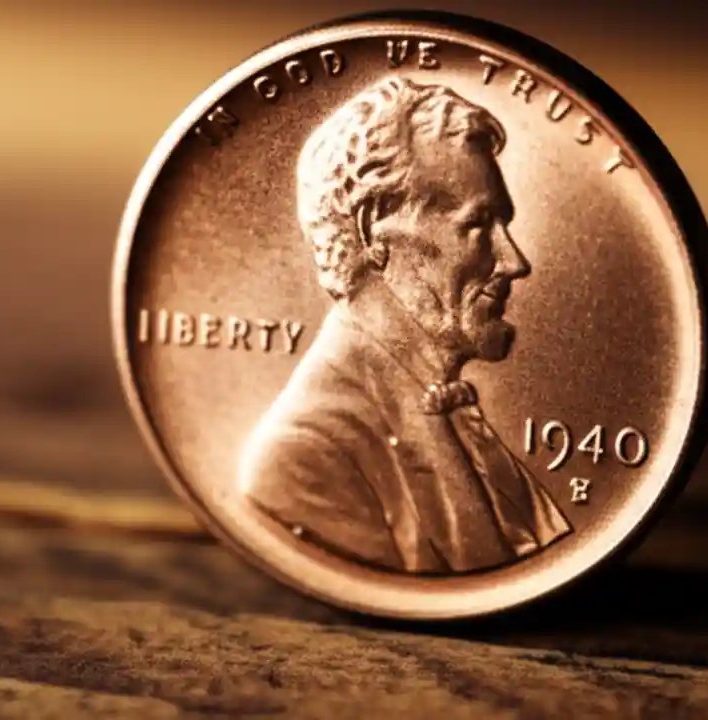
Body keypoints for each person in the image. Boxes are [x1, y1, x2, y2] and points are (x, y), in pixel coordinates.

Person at [238, 78, 571, 573]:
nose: (514, 261)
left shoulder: (452, 411)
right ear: (375, 230)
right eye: (478, 226)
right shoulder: (304, 454)